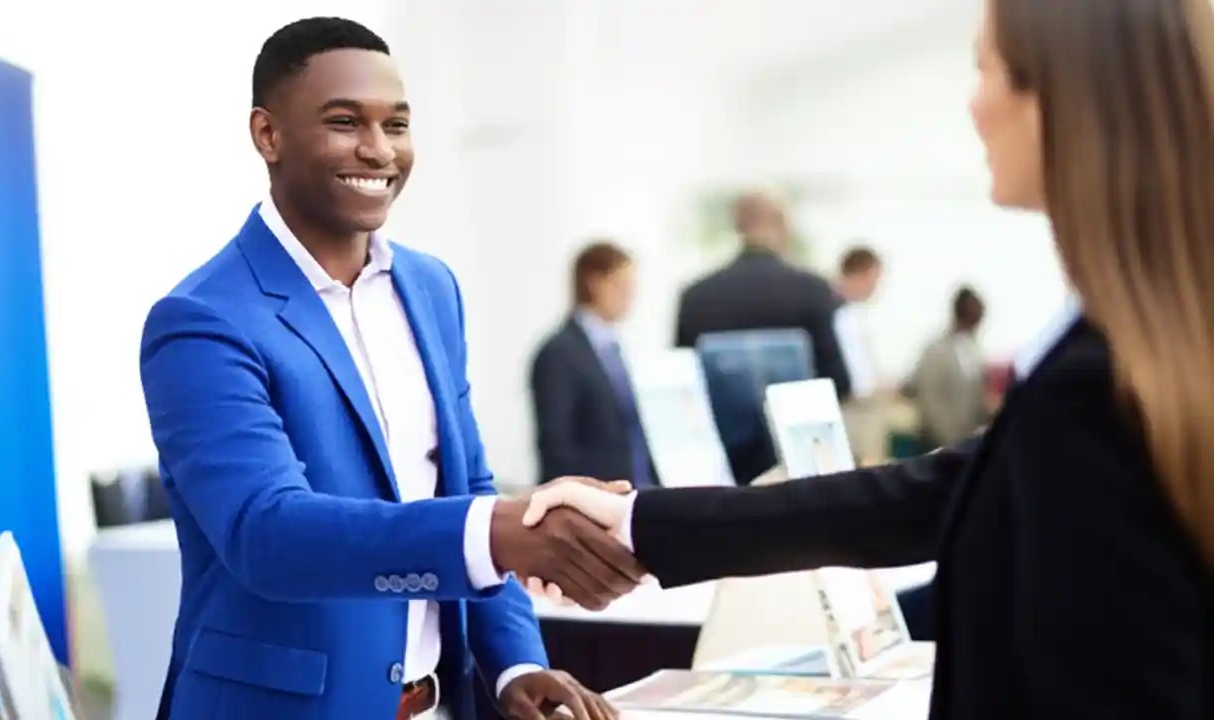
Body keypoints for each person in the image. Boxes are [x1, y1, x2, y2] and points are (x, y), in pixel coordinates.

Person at [518, 0, 1214, 717]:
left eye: (987, 70)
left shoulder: (1092, 386)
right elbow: (921, 497)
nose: (973, 106)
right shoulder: (1130, 357)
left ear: (1067, 97)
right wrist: (642, 523)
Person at [138, 18, 637, 720]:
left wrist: (515, 663)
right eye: (344, 122)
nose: (378, 150)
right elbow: (268, 535)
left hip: (438, 703)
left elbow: (465, 483)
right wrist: (500, 530)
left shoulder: (432, 289)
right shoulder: (202, 319)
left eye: (396, 125)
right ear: (268, 135)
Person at [674, 192, 851, 481]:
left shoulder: (696, 297)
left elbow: (684, 392)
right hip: (797, 470)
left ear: (738, 227)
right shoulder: (812, 291)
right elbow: (839, 383)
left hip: (724, 474)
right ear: (783, 226)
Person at [530, 242, 656, 488]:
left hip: (630, 495)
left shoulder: (614, 350)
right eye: (622, 286)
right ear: (594, 282)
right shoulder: (559, 352)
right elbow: (556, 445)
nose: (630, 298)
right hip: (590, 500)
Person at [906, 287, 992, 449]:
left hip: (967, 443)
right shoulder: (937, 350)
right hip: (938, 443)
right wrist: (951, 441)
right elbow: (930, 400)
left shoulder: (974, 350)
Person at [832, 247, 888, 464]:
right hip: (850, 413)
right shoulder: (836, 313)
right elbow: (856, 380)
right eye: (874, 280)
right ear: (860, 274)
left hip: (862, 411)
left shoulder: (853, 314)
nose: (876, 288)